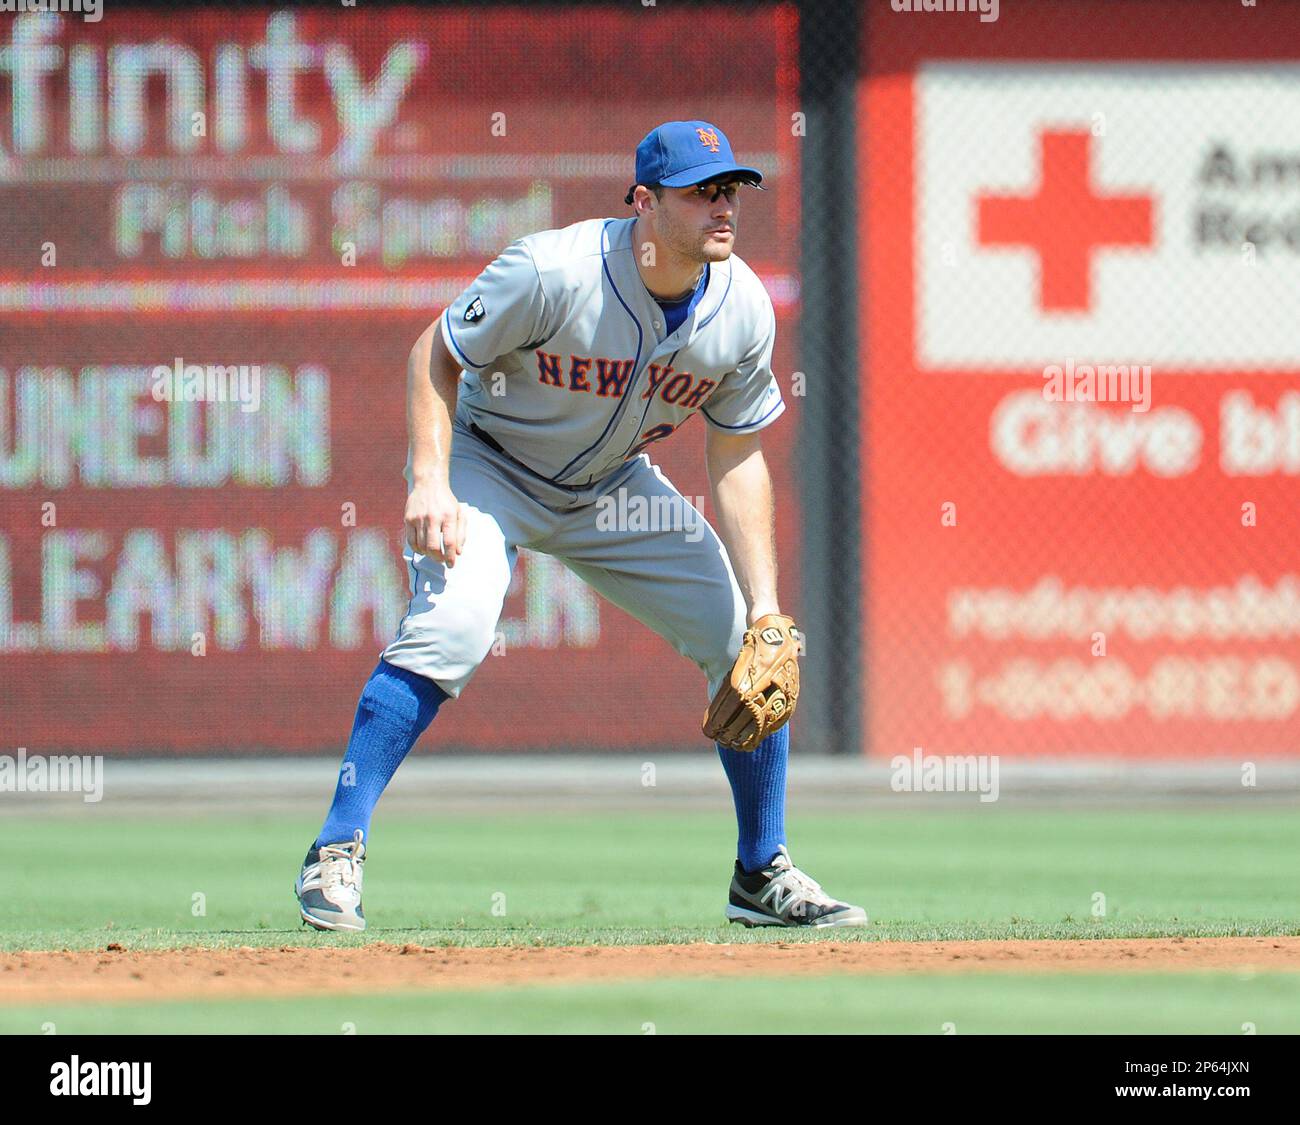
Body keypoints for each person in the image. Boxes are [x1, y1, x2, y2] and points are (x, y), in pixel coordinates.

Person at [295, 120, 867, 931]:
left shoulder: (742, 306)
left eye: (731, 188)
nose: (724, 205)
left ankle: (761, 871)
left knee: (745, 641)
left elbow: (737, 456)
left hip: (609, 486)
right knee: (453, 629)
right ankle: (334, 850)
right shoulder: (553, 270)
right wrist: (429, 477)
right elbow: (437, 350)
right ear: (644, 202)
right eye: (702, 190)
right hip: (488, 462)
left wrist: (770, 606)